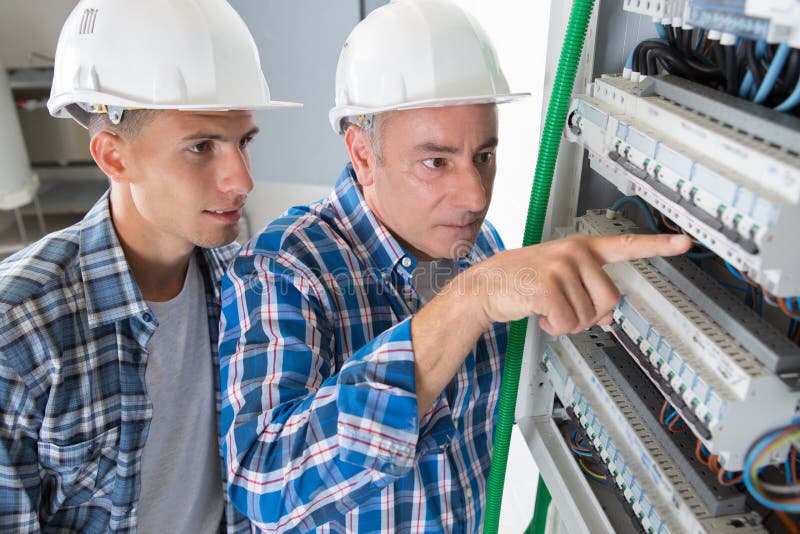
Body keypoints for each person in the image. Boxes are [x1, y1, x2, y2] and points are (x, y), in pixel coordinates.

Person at [218, 0, 691, 532]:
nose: (472, 195)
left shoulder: (478, 246)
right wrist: (468, 301)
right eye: (435, 161)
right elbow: (265, 483)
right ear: (362, 154)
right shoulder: (285, 269)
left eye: (484, 156)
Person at [0, 0, 300, 531]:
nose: (242, 180)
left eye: (244, 141)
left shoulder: (247, 288)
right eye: (201, 146)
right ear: (114, 156)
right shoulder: (20, 330)